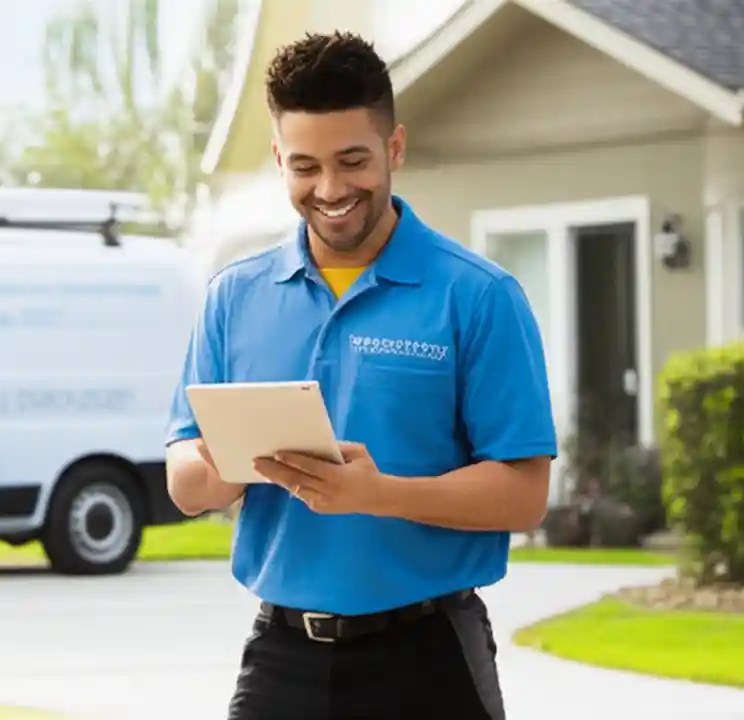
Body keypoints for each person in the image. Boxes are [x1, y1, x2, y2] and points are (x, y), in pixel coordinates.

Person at [164, 31, 556, 720]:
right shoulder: (235, 296)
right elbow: (185, 479)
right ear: (280, 160)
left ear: (394, 148)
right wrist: (233, 464)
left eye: (353, 161)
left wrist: (377, 493)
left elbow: (524, 494)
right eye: (305, 167)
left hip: (427, 655)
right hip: (281, 655)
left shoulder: (477, 296)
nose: (331, 189)